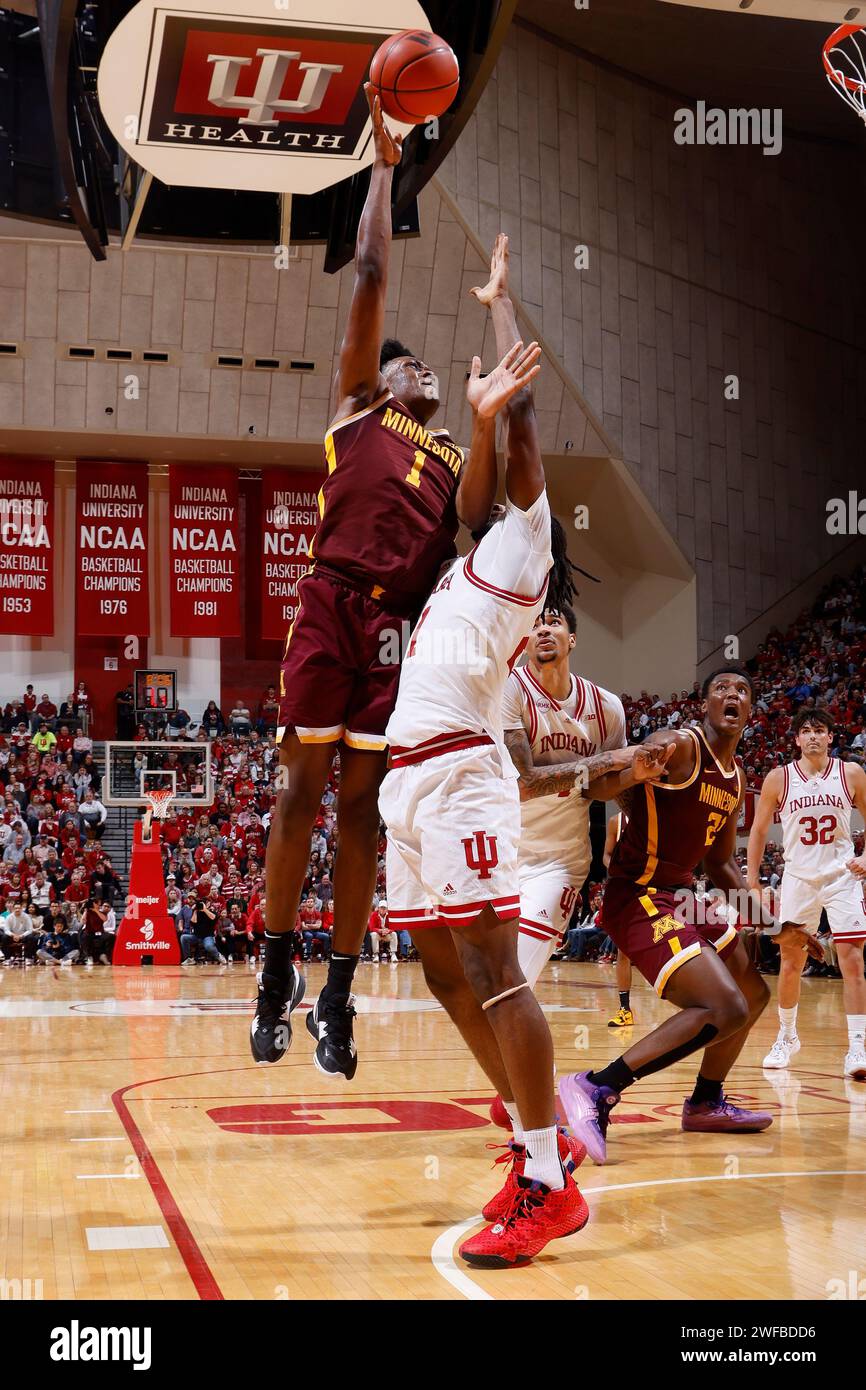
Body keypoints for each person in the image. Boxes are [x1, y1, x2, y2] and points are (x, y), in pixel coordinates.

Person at [378, 233, 671, 1269]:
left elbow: (519, 434)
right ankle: (526, 1143)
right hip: (404, 783)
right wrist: (470, 409)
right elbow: (466, 492)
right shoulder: (461, 570)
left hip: (461, 769)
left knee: (500, 976)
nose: (492, 484)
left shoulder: (523, 546)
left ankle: (551, 1181)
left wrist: (504, 319)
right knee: (445, 975)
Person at [252, 87, 503, 1078]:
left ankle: (340, 996)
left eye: (429, 370)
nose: (423, 368)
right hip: (330, 603)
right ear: (385, 382)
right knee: (297, 798)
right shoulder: (359, 410)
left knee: (360, 813)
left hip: (397, 631)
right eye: (413, 367)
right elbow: (366, 272)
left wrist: (483, 422)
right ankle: (275, 977)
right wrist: (385, 163)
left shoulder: (445, 460)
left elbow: (478, 519)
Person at [558, 665, 823, 1164]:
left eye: (743, 690)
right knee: (725, 1007)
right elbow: (599, 787)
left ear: (750, 711)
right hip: (636, 892)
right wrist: (632, 769)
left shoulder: (735, 776)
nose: (733, 694)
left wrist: (771, 926)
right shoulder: (678, 746)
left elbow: (720, 863)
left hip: (681, 893)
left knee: (752, 992)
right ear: (705, 705)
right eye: (721, 688)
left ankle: (704, 1101)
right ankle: (595, 1087)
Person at [501, 600, 631, 993]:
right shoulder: (510, 689)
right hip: (502, 852)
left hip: (559, 861)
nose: (543, 629)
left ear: (571, 639)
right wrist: (607, 759)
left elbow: (611, 787)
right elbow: (525, 782)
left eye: (553, 623)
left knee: (515, 983)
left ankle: (529, 1056)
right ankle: (537, 1058)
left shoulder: (606, 707)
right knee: (490, 982)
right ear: (525, 641)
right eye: (535, 624)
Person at [747, 709, 866, 1079]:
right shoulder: (779, 778)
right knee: (791, 963)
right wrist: (752, 881)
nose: (813, 736)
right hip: (798, 878)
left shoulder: (851, 773)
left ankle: (858, 1047)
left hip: (842, 877)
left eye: (820, 730)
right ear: (796, 739)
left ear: (831, 737)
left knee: (852, 962)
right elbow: (758, 831)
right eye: (806, 731)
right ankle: (786, 1036)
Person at [604, 811, 635, 1027]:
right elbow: (606, 854)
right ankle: (625, 1009)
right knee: (622, 953)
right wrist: (616, 868)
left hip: (656, 887)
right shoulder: (616, 821)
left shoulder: (660, 812)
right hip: (626, 889)